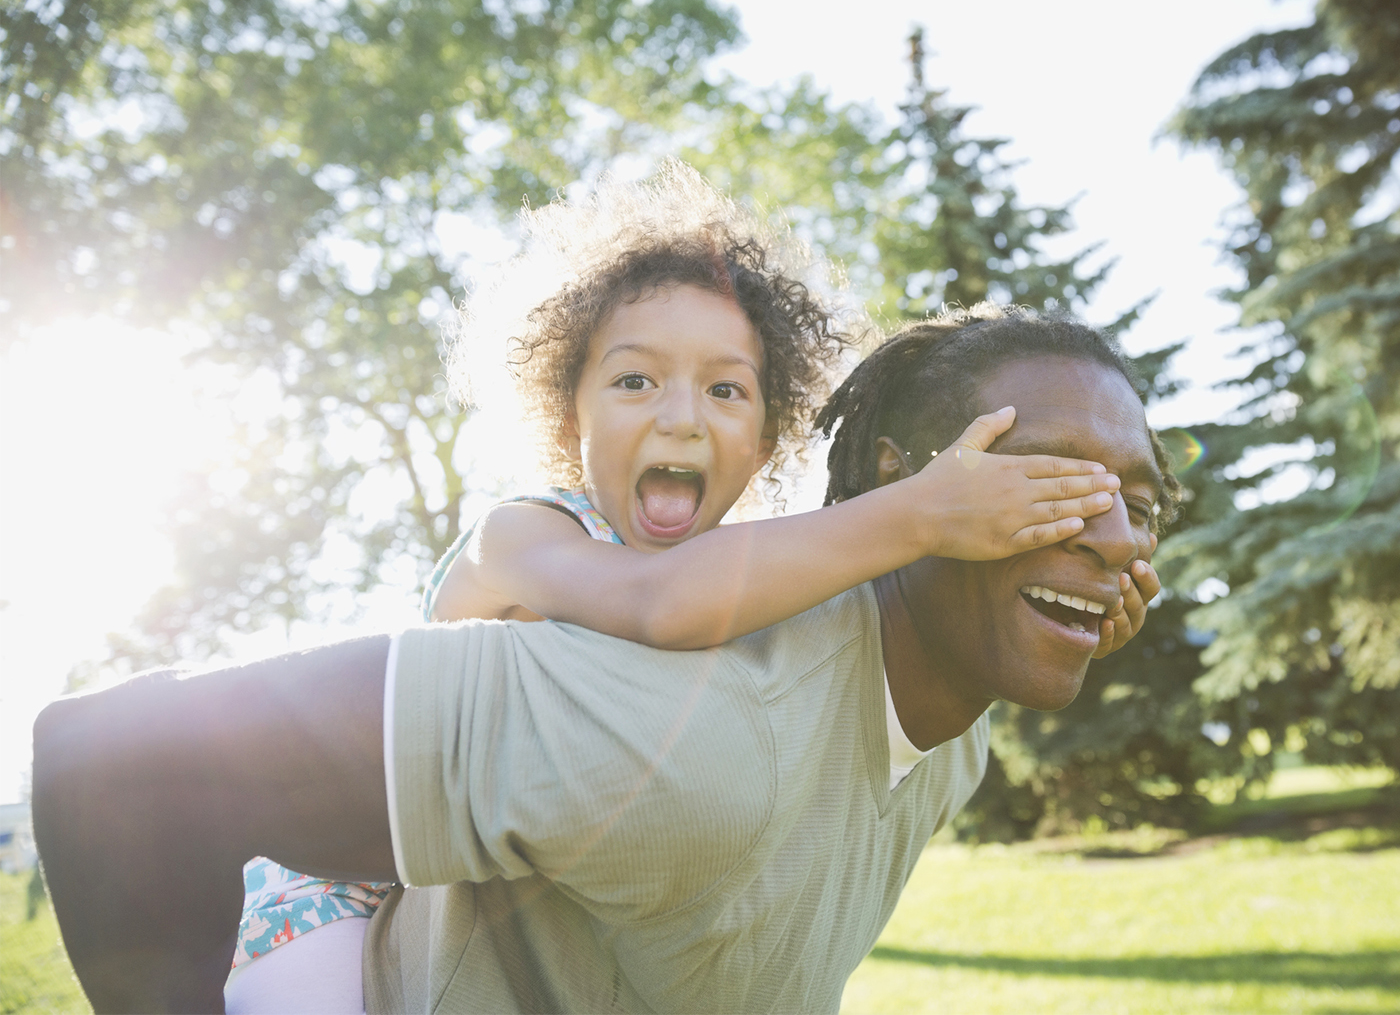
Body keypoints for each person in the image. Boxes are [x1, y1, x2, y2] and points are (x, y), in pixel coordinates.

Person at [32, 303, 1172, 1014]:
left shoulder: (951, 724)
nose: (1119, 536)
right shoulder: (682, 709)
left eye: (1139, 502)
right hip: (316, 917)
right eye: (1050, 482)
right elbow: (111, 762)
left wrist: (1060, 604)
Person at [225, 166, 1129, 1011]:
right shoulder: (523, 536)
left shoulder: (734, 574)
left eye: (726, 391)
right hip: (324, 889)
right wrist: (920, 513)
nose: (681, 416)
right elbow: (655, 601)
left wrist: (1070, 610)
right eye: (634, 380)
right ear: (569, 414)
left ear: (766, 442)